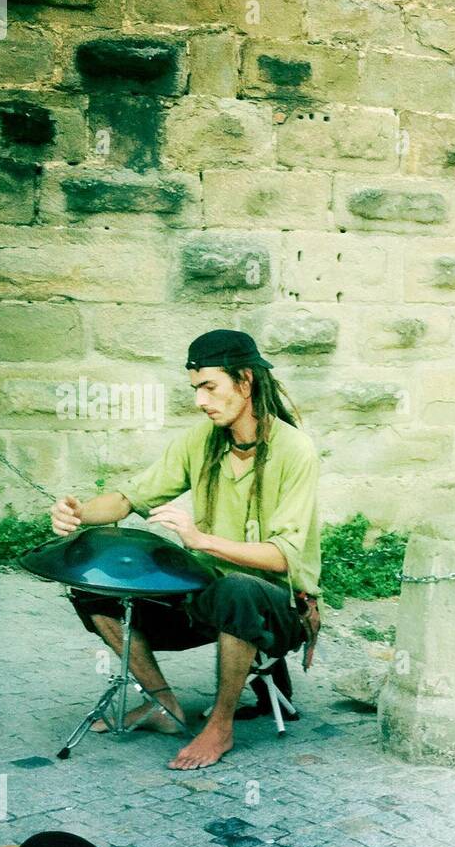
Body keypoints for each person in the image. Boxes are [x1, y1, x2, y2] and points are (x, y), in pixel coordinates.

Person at [49, 330, 322, 770]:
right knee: (94, 589)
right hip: (207, 596)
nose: (200, 400)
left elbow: (284, 556)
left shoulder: (295, 450)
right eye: (196, 388)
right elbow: (127, 498)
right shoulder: (201, 440)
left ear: (245, 381)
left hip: (276, 609)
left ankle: (220, 726)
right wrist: (77, 513)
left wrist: (200, 540)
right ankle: (162, 706)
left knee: (238, 589)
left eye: (209, 387)